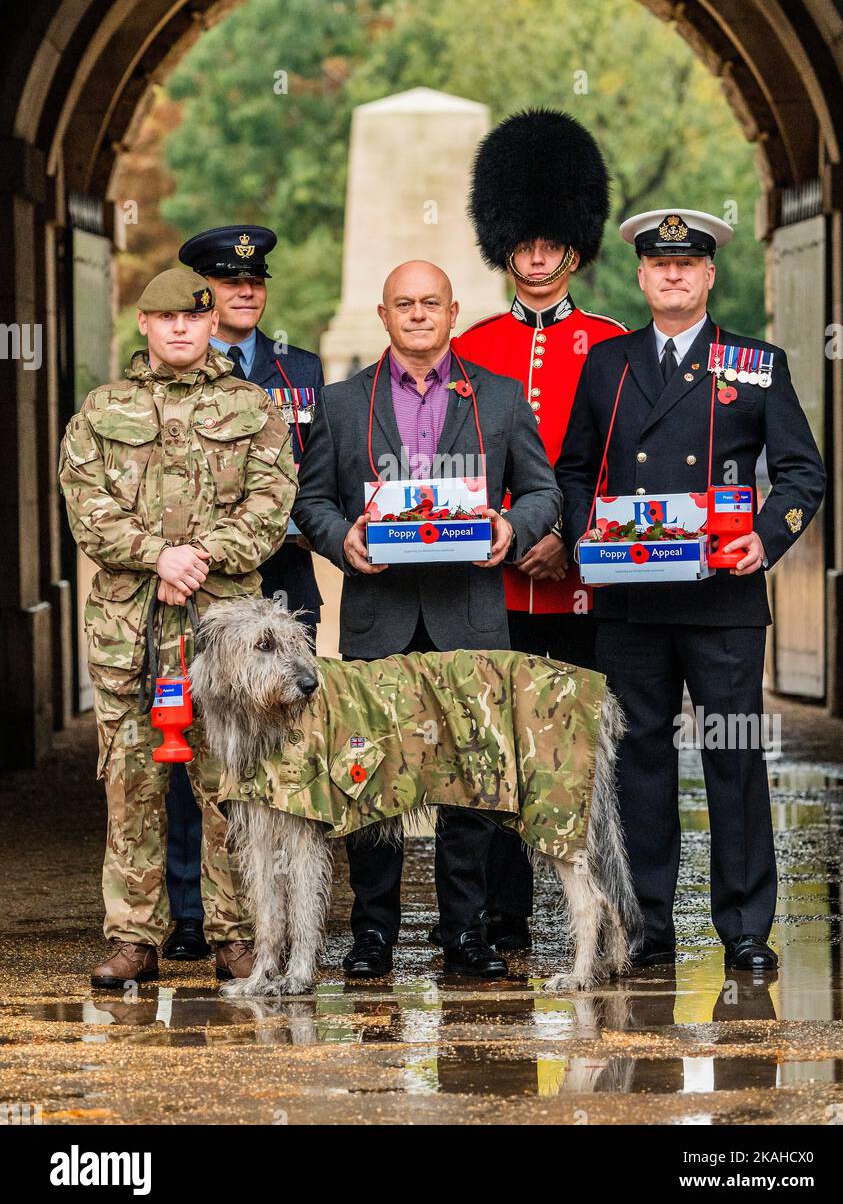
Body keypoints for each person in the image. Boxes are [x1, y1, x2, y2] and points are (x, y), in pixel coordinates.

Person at [556, 209, 826, 972]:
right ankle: (647, 927)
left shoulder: (755, 362)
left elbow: (803, 473)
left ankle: (744, 928)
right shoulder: (607, 364)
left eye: (688, 264)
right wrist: (583, 534)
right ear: (642, 277)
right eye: (659, 265)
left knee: (734, 758)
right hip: (631, 601)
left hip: (722, 599)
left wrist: (766, 537)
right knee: (638, 761)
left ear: (709, 276)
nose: (673, 275)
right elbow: (575, 471)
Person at [292, 259, 562, 980]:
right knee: (367, 778)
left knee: (471, 784)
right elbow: (310, 500)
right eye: (403, 304)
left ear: (452, 313)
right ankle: (373, 932)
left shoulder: (499, 400)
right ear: (382, 315)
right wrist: (342, 538)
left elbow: (544, 491)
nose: (417, 314)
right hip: (378, 618)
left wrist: (511, 529)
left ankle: (465, 931)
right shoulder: (345, 403)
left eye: (430, 303)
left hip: (469, 618)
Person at [59, 268, 297, 987]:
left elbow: (272, 500)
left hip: (223, 638)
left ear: (211, 324)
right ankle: (134, 938)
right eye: (167, 320)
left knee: (229, 786)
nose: (181, 330)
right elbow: (86, 506)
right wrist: (156, 555)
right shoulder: (102, 410)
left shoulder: (252, 407)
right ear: (145, 325)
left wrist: (201, 558)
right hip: (130, 634)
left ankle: (236, 936)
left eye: (194, 320)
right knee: (131, 784)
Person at [453, 108, 625, 950]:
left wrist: (573, 535)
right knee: (498, 751)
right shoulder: (470, 347)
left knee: (581, 754)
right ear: (506, 245)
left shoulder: (613, 345)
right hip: (496, 579)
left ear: (573, 248)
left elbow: (622, 466)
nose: (536, 256)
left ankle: (595, 910)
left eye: (551, 242)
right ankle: (504, 912)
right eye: (523, 242)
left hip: (585, 582)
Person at [158, 225, 323, 963]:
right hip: (207, 593)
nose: (246, 291)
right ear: (203, 293)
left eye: (255, 281)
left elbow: (319, 477)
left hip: (283, 582)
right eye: (228, 282)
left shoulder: (301, 371)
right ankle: (194, 907)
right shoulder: (176, 371)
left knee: (288, 754)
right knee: (197, 743)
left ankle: (278, 915)